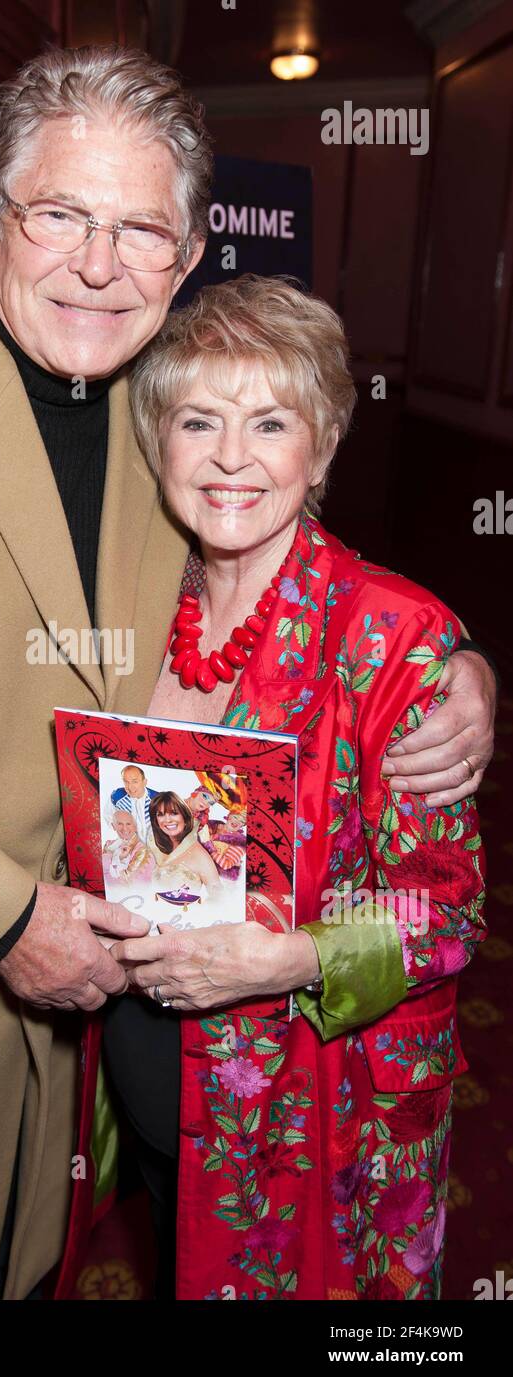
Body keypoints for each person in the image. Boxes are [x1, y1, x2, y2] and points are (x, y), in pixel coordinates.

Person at [0, 45, 494, 1301]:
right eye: (60, 215)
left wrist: (453, 661)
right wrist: (6, 918)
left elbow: (286, 563)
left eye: (141, 230)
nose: (98, 264)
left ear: (186, 253)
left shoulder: (153, 405)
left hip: (97, 1061)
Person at [59, 275, 488, 1301]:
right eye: (197, 419)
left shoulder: (392, 636)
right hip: (143, 1065)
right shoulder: (125, 601)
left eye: (270, 421)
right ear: (156, 436)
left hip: (306, 1108)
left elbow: (449, 909)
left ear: (324, 442)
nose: (230, 458)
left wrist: (291, 956)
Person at [101, 806, 154, 888]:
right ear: (113, 826)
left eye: (128, 824)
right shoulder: (109, 845)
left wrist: (107, 859)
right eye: (120, 824)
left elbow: (128, 883)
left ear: (135, 826)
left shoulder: (143, 850)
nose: (124, 828)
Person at [111, 765, 159, 840]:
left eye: (135, 782)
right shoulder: (117, 797)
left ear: (144, 782)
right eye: (126, 782)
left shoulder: (158, 799)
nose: (130, 787)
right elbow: (109, 818)